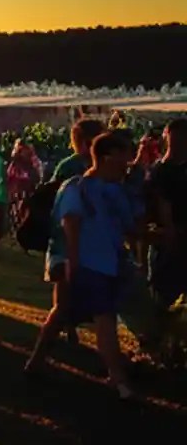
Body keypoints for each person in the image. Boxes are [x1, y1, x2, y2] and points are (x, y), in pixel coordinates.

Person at [24, 133, 136, 399]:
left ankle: (36, 361)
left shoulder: (115, 191)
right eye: (124, 157)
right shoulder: (76, 187)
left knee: (62, 312)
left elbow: (130, 226)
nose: (127, 163)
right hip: (85, 265)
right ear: (108, 157)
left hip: (107, 265)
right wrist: (72, 261)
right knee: (103, 318)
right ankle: (118, 381)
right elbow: (70, 222)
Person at [146, 119, 187, 359]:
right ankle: (163, 347)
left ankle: (176, 345)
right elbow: (162, 204)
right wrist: (170, 231)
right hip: (167, 239)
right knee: (164, 293)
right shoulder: (160, 171)